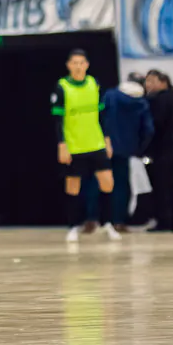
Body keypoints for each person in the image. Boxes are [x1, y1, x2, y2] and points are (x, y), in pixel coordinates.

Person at [51, 49, 117, 243]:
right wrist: (62, 144)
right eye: (74, 63)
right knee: (73, 187)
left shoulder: (94, 84)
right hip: (74, 144)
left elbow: (102, 115)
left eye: (82, 63)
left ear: (87, 65)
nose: (78, 66)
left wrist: (107, 140)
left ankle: (107, 224)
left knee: (108, 183)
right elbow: (57, 120)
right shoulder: (61, 87)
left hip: (95, 142)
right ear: (69, 65)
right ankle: (73, 226)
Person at [102, 75, 154, 232]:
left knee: (99, 183)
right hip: (126, 150)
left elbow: (99, 117)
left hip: (104, 147)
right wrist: (139, 148)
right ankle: (118, 221)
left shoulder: (110, 95)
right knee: (122, 185)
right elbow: (149, 130)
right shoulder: (142, 102)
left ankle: (99, 220)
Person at [144, 69, 173, 231]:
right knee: (169, 185)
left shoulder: (162, 100)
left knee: (162, 185)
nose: (147, 84)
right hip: (169, 148)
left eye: (151, 81)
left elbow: (157, 125)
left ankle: (165, 221)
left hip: (163, 149)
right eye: (147, 81)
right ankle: (172, 220)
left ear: (163, 82)